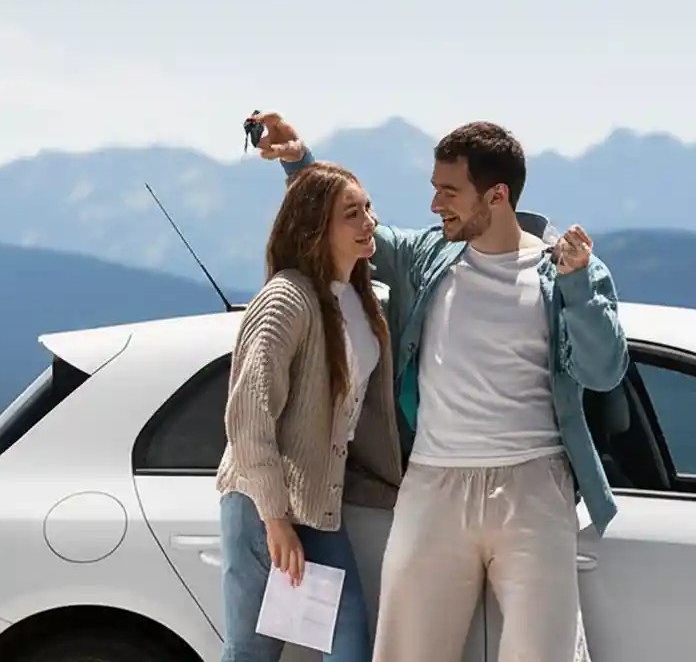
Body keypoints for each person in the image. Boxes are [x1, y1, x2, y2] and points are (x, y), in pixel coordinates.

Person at [250, 112, 628, 662]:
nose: (434, 205)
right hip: (434, 483)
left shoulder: (565, 271)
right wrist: (297, 162)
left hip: (533, 485)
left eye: (448, 192)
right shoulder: (429, 258)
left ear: (496, 195)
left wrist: (578, 287)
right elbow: (350, 229)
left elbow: (604, 371)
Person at [215, 161, 404, 662]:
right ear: (316, 228)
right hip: (262, 506)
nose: (369, 222)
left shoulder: (362, 301)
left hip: (319, 507)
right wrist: (275, 521)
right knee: (251, 654)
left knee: (350, 649)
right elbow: (249, 415)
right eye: (352, 214)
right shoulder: (285, 299)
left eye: (368, 208)